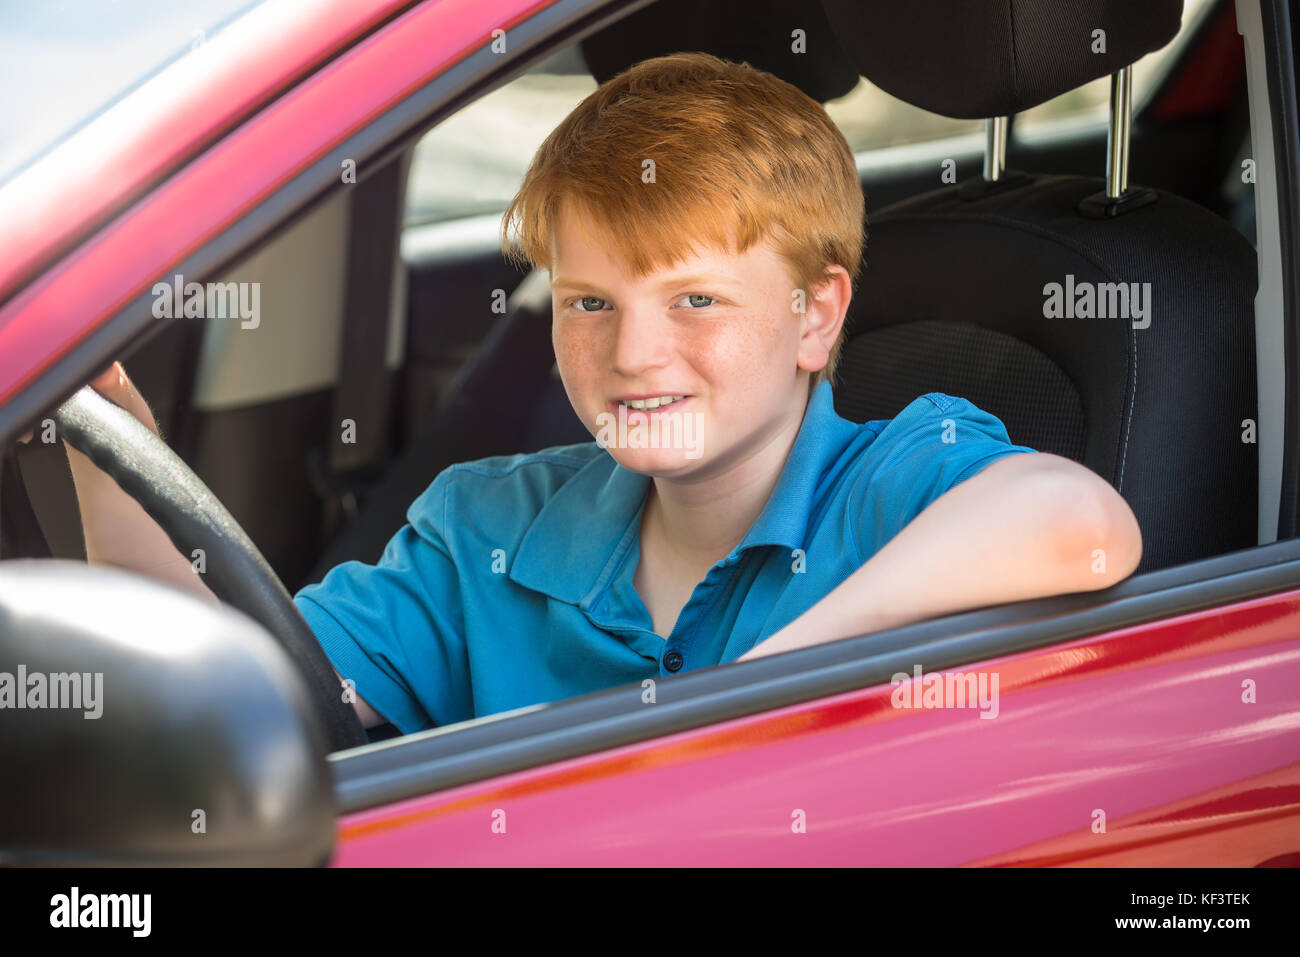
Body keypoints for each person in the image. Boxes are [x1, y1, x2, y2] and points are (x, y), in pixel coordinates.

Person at [41, 53, 1142, 736]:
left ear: (815, 317)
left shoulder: (888, 475)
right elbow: (232, 707)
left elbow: (1082, 529)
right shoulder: (489, 529)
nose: (634, 355)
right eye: (588, 303)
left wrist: (768, 680)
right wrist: (114, 463)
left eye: (697, 301)